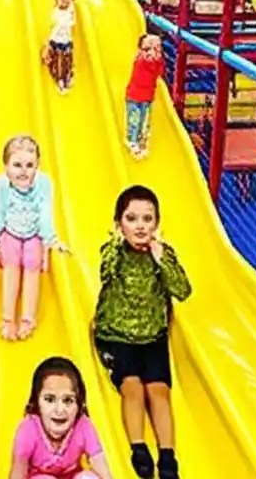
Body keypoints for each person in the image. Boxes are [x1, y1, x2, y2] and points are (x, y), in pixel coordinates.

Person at [93, 185, 191, 479]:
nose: (140, 226)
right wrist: (115, 241)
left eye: (147, 219)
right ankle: (138, 448)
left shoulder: (162, 255)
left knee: (159, 392)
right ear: (119, 224)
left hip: (153, 338)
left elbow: (183, 290)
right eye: (131, 219)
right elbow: (105, 272)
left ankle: (168, 456)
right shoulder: (114, 252)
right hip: (117, 335)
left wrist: (162, 259)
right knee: (133, 388)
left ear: (157, 224)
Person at [0, 135, 65, 341]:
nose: (23, 171)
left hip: (33, 233)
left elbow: (45, 213)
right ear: (6, 167)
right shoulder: (0, 186)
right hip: (9, 231)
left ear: (37, 166)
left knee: (32, 263)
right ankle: (8, 318)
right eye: (17, 165)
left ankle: (28, 317)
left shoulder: (44, 184)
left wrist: (51, 240)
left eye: (29, 165)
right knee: (11, 262)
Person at [10, 356, 113, 479]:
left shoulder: (83, 425)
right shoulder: (28, 429)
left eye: (68, 400)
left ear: (79, 405)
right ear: (36, 402)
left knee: (87, 477)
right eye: (50, 399)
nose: (59, 410)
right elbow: (18, 473)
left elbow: (103, 470)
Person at [124, 34, 165, 159]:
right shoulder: (140, 59)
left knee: (144, 121)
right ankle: (132, 140)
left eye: (156, 49)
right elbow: (145, 62)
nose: (151, 52)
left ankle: (142, 142)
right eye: (147, 49)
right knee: (135, 119)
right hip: (134, 97)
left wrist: (158, 58)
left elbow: (158, 73)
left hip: (147, 97)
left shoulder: (156, 62)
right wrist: (150, 53)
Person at [41, 0, 76, 95]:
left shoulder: (71, 9)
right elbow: (53, 30)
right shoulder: (56, 13)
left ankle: (68, 75)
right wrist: (47, 46)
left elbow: (71, 3)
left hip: (68, 41)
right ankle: (60, 79)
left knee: (68, 59)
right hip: (57, 42)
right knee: (60, 60)